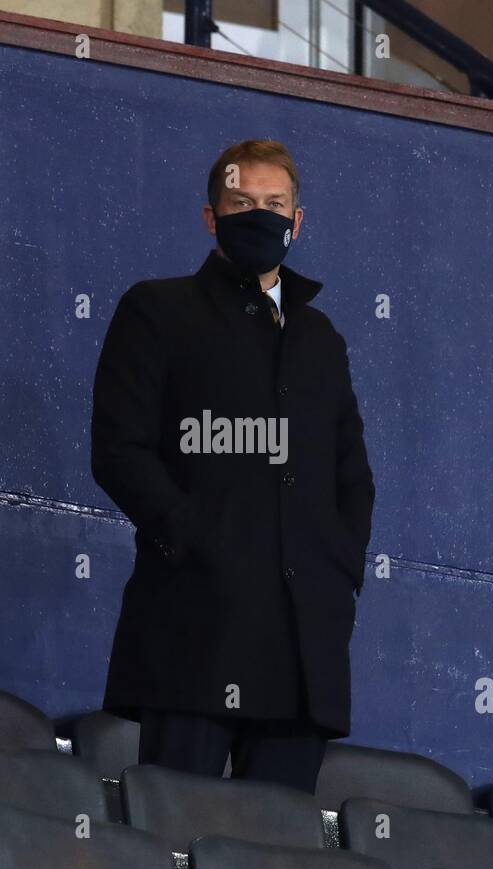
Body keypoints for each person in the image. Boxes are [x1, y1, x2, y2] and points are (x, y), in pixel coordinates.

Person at [90, 139, 375, 794]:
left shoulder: (320, 339)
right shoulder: (157, 310)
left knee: (273, 854)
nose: (260, 216)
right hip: (195, 627)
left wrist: (340, 567)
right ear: (211, 216)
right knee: (174, 835)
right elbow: (119, 450)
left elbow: (352, 474)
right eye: (242, 203)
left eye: (275, 205)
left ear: (297, 223)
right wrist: (194, 539)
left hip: (304, 645)